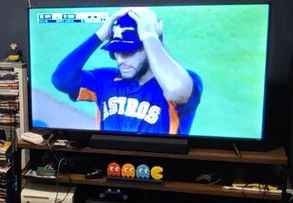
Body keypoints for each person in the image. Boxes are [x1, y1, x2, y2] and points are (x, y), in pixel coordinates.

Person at [51, 7, 202, 135]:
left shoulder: (183, 80)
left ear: (149, 47)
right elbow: (61, 80)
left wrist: (150, 36)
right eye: (115, 52)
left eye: (128, 52)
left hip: (158, 166)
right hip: (110, 163)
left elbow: (176, 90)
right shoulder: (104, 80)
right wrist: (98, 36)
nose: (120, 60)